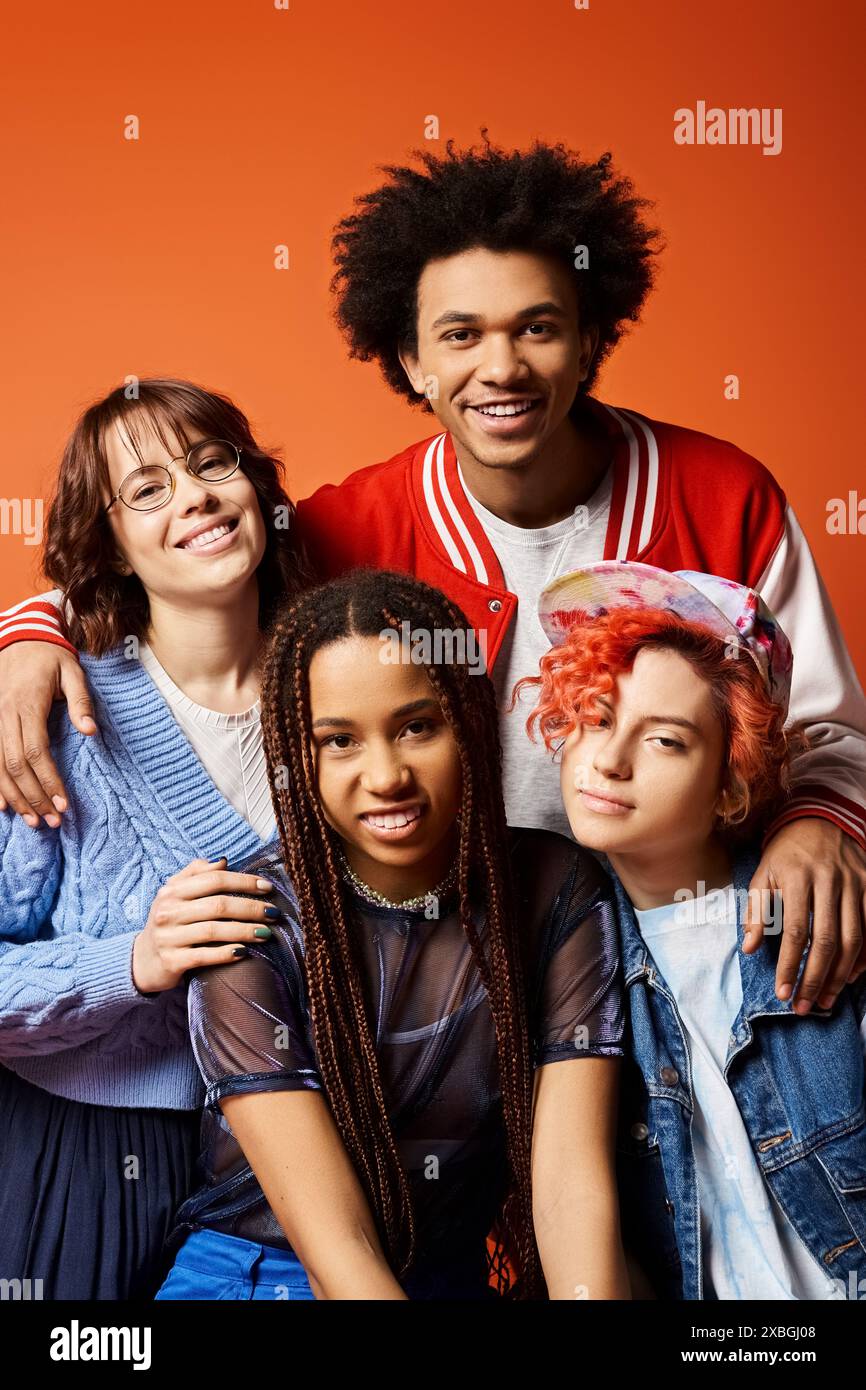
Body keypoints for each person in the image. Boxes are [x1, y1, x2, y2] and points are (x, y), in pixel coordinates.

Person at [3, 137, 865, 1014]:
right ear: (411, 360)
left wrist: (820, 823)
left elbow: (830, 729)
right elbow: (187, 566)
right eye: (460, 336)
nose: (501, 368)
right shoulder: (350, 528)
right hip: (473, 993)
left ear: (591, 335)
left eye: (537, 326)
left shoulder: (724, 496)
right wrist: (28, 631)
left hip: (713, 953)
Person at [155, 569, 630, 1300]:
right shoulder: (250, 918)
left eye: (417, 726)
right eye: (338, 741)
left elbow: (571, 1190)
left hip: (446, 1279)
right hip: (261, 1277)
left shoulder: (554, 888)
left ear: (467, 720)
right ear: (297, 758)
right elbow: (336, 1253)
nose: (385, 776)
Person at [0, 377, 310, 1298]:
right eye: (148, 490)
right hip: (83, 1153)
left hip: (282, 1166)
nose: (196, 497)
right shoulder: (52, 721)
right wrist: (131, 961)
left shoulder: (342, 708)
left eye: (215, 465)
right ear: (113, 548)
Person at [516, 560, 866, 1300]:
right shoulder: (569, 963)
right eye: (597, 718)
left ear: (732, 782)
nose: (608, 761)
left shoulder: (819, 921)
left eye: (665, 741)